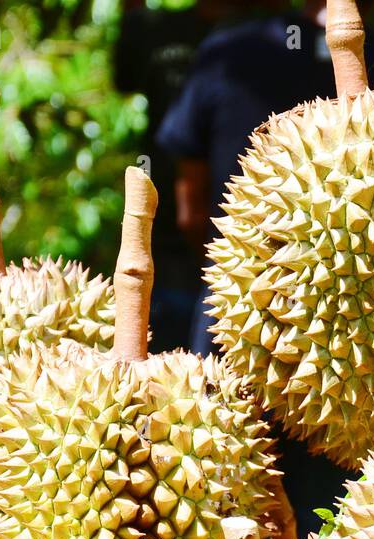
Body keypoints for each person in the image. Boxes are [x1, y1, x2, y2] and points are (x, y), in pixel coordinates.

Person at [156, 0, 374, 539]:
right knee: (348, 533)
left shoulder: (228, 55)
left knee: (221, 514)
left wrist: (246, 272)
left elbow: (188, 205)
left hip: (237, 326)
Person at [113, 0, 246, 353]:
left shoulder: (265, 36)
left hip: (240, 225)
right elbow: (124, 79)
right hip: (163, 214)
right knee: (162, 347)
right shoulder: (155, 28)